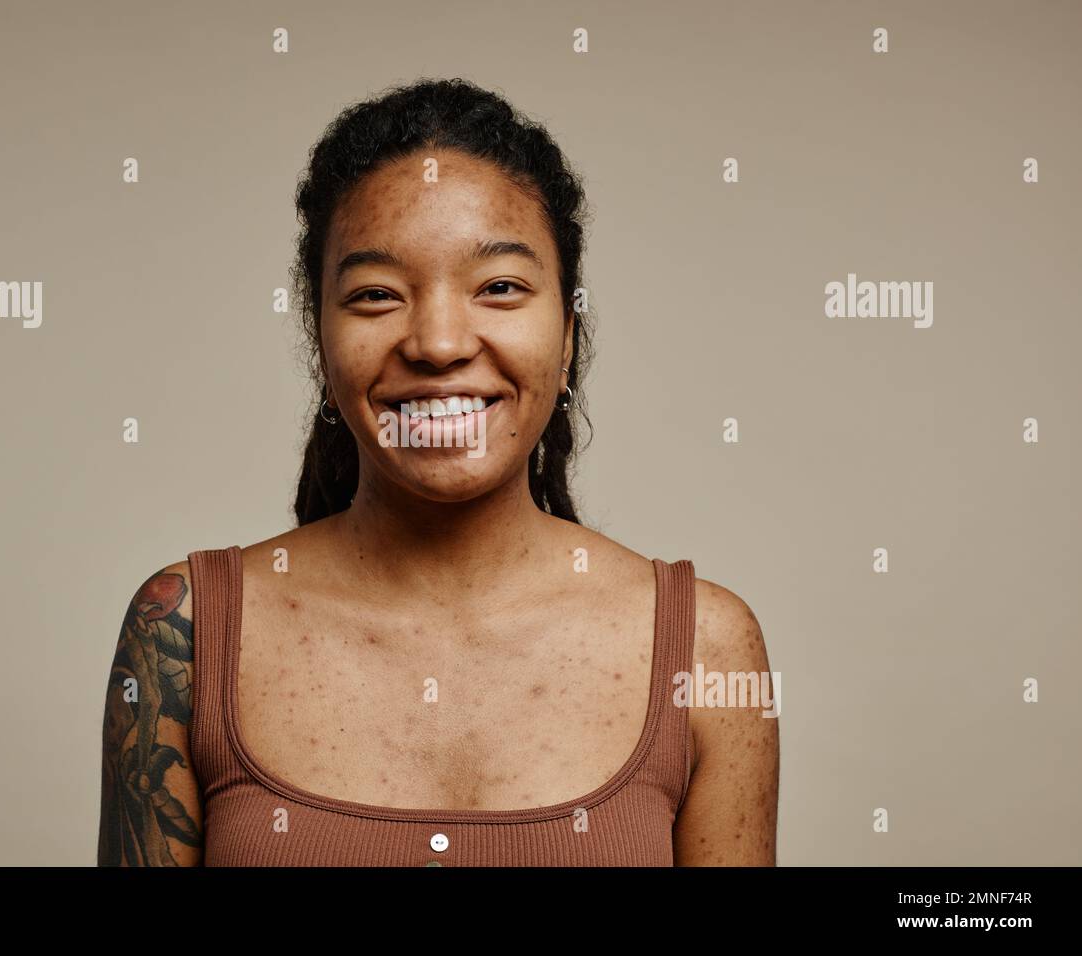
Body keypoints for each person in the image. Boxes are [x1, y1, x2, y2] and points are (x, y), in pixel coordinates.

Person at [98, 77, 778, 866]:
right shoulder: (179, 631)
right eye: (377, 294)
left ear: (567, 333)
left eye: (499, 288)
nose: (440, 343)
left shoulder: (708, 648)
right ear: (320, 343)